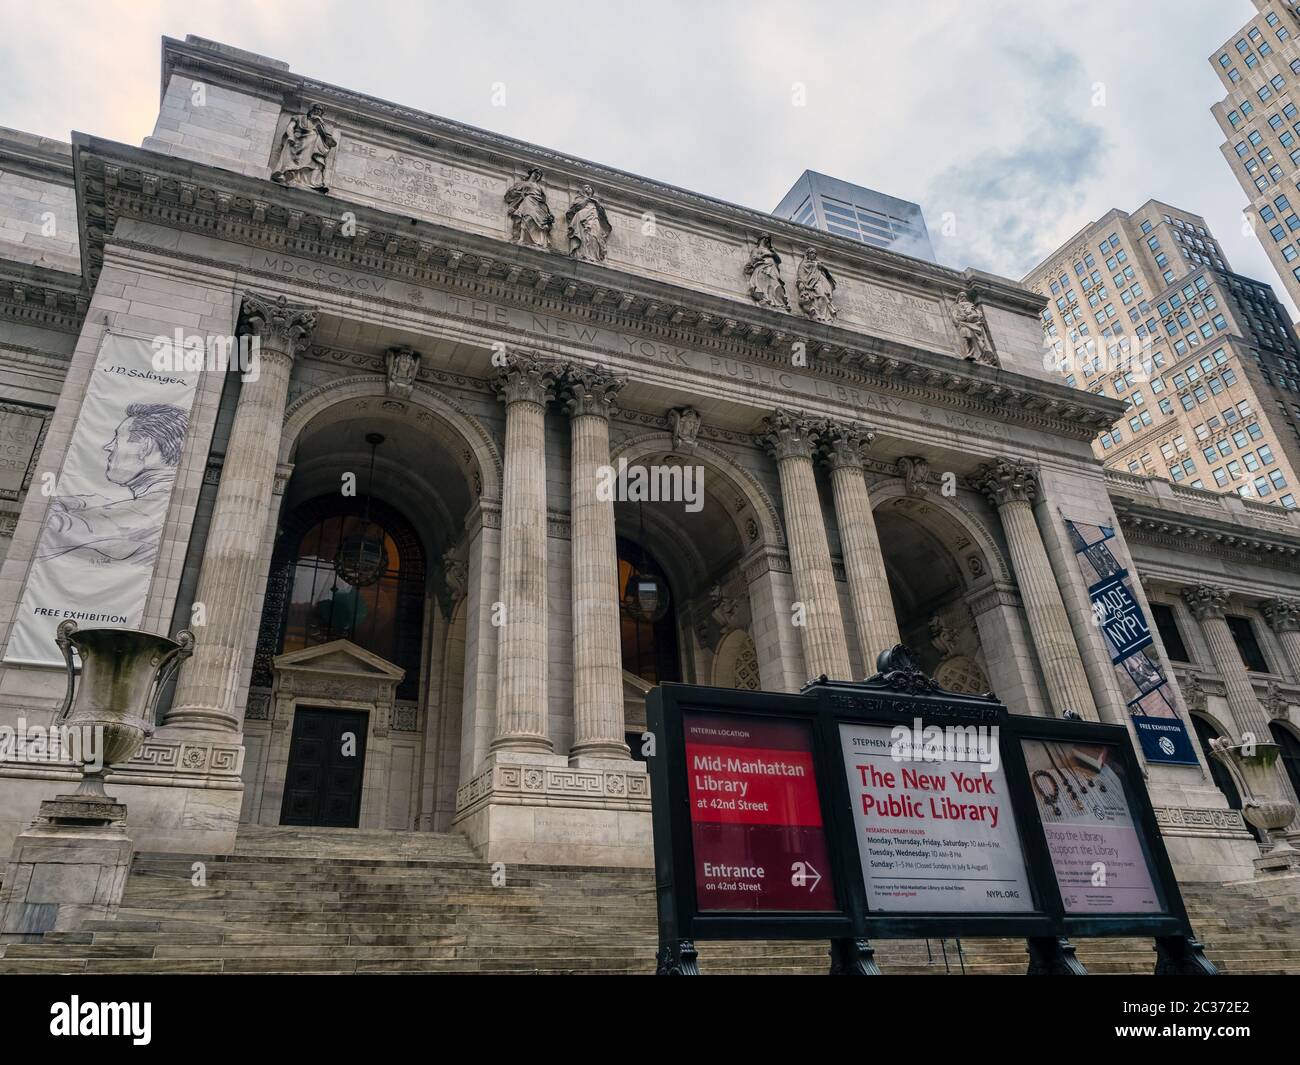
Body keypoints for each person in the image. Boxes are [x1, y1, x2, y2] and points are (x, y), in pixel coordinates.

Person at [36, 403, 188, 566]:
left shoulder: (150, 513)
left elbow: (54, 525)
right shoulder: (157, 504)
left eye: (117, 439)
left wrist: (53, 501)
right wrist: (86, 502)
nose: (108, 447)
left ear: (146, 447)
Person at [271, 105, 336, 192]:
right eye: (316, 110)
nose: (317, 112)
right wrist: (291, 136)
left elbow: (327, 140)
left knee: (315, 142)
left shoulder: (320, 125)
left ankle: (311, 181)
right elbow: (290, 127)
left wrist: (319, 125)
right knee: (312, 138)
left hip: (312, 148)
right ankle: (290, 175)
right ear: (311, 110)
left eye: (320, 111)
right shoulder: (299, 117)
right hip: (298, 141)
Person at [504, 168, 554, 249]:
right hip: (528, 201)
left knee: (540, 223)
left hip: (539, 205)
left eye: (540, 174)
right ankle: (522, 239)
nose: (538, 175)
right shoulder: (523, 183)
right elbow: (512, 192)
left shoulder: (539, 187)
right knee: (527, 218)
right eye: (536, 172)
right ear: (531, 173)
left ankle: (538, 242)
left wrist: (550, 213)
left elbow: (544, 201)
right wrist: (521, 194)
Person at [565, 185, 612, 262]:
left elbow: (602, 215)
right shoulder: (580, 199)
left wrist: (598, 205)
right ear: (583, 190)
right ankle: (583, 253)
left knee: (595, 235)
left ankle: (594, 255)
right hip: (582, 218)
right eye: (586, 187)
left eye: (590, 188)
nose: (588, 188)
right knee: (584, 235)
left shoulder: (595, 201)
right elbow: (575, 208)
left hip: (594, 218)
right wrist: (586, 200)